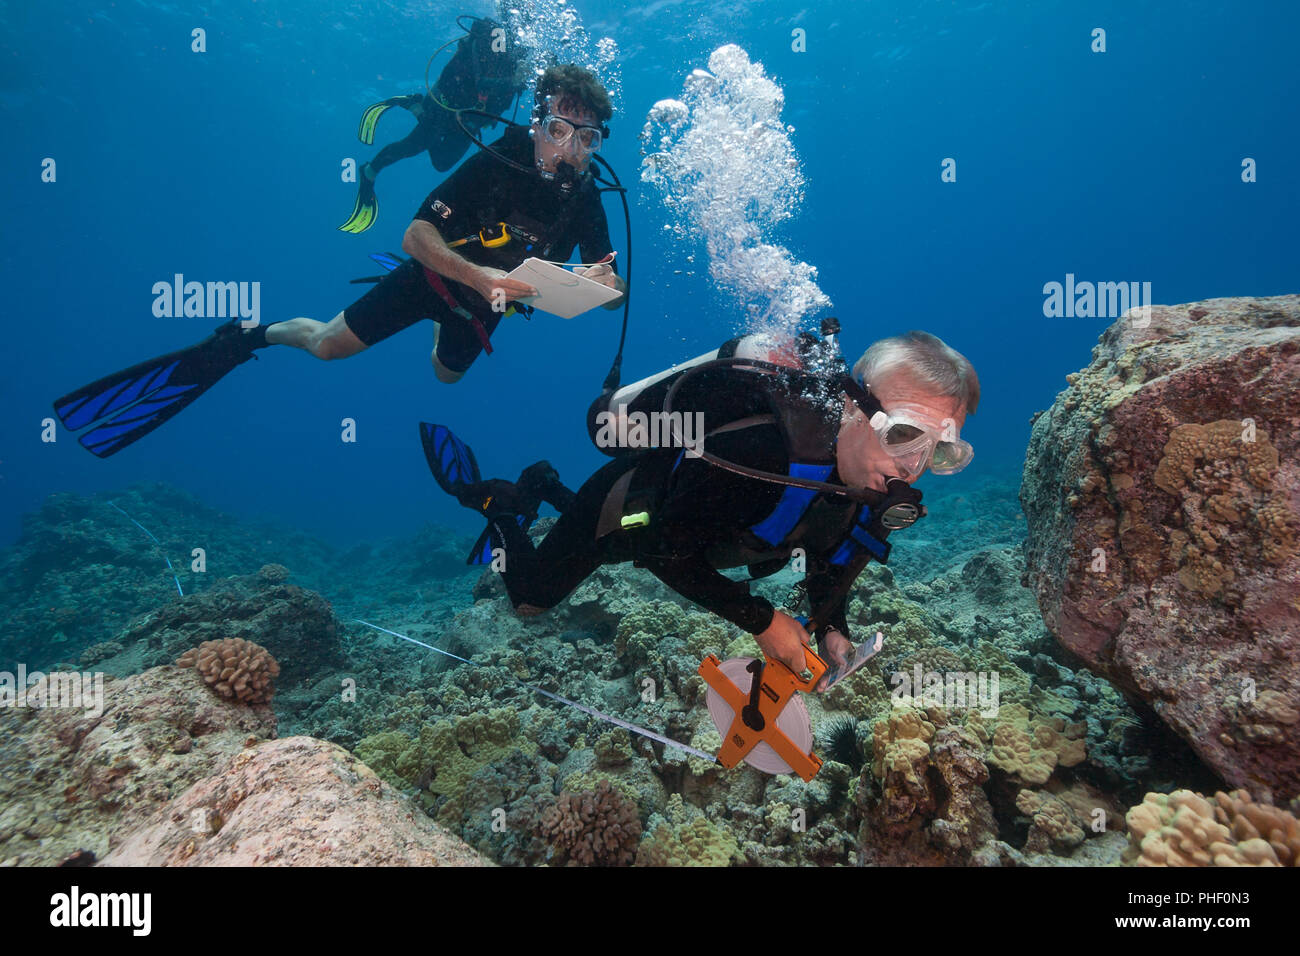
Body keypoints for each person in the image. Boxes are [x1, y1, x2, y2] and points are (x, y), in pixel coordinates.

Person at [53, 64, 626, 458]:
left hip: (490, 305)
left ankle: (440, 325)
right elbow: (416, 234)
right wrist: (476, 275)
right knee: (328, 347)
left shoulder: (586, 193)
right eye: (558, 129)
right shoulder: (493, 163)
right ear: (536, 123)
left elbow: (615, 283)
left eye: (587, 138)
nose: (570, 150)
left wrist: (600, 281)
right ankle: (253, 334)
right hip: (432, 277)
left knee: (444, 377)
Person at [425, 328, 978, 681]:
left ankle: (545, 484)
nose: (915, 467)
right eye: (906, 433)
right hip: (627, 514)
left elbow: (829, 554)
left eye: (942, 451)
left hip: (695, 528)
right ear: (857, 410)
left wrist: (833, 627)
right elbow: (661, 549)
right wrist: (760, 621)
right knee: (531, 599)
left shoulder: (869, 483)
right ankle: (500, 504)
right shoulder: (762, 452)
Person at [339, 15, 528, 234]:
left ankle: (418, 109)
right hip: (444, 107)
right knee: (414, 145)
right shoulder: (490, 36)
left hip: (469, 120)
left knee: (442, 163)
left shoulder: (519, 52)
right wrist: (514, 81)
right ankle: (369, 172)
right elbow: (481, 82)